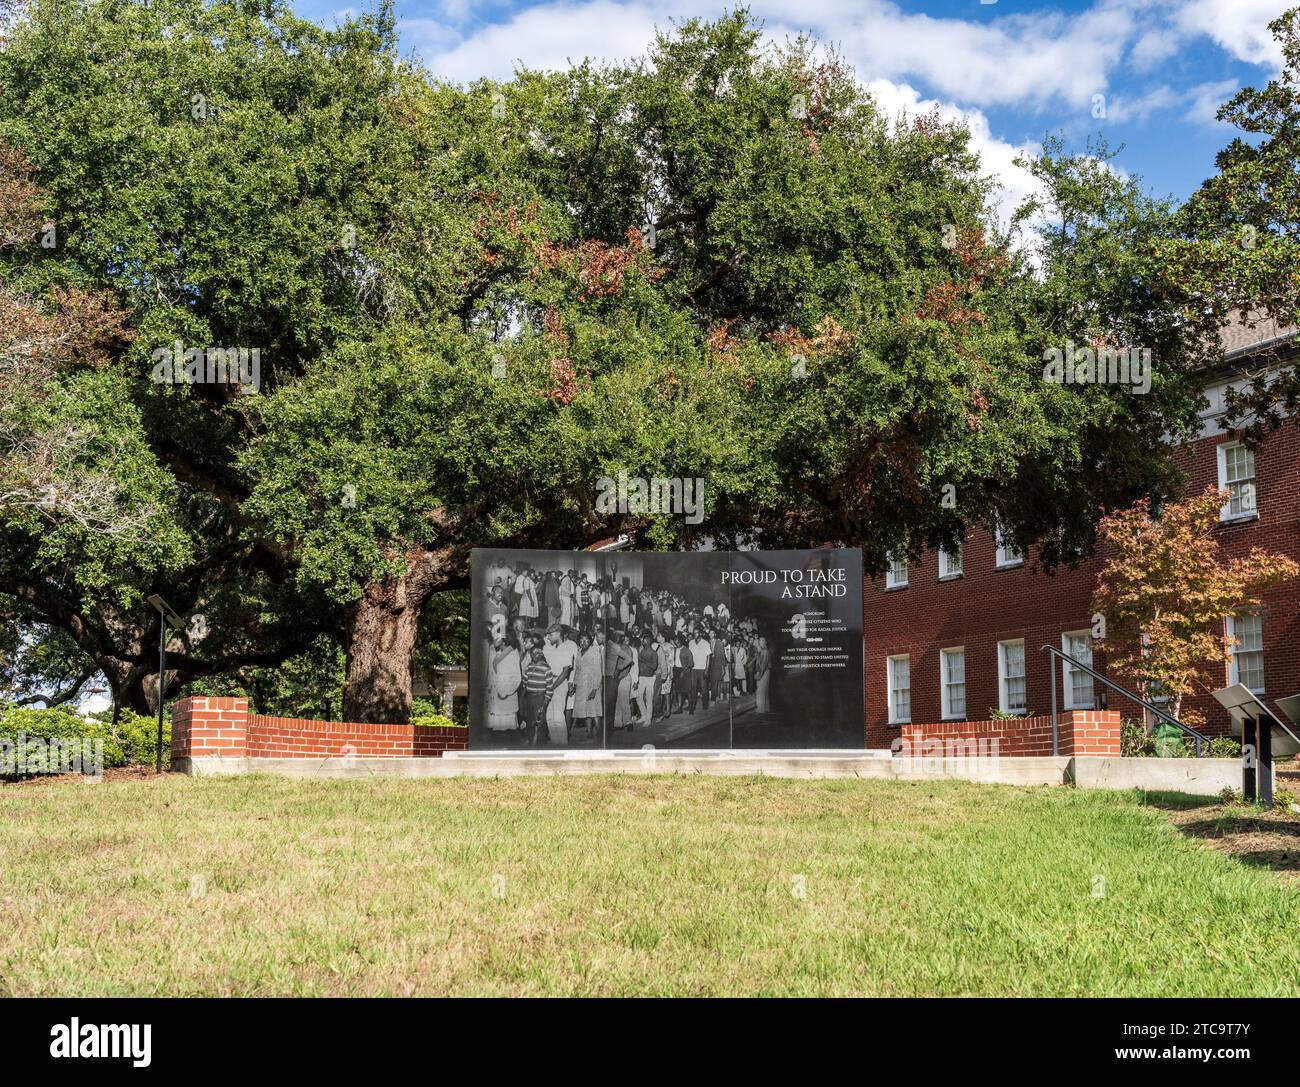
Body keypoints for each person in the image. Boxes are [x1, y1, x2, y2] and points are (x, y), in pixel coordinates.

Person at [541, 623, 576, 745]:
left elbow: (565, 672)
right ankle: (555, 743)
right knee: (549, 717)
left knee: (558, 717)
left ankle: (562, 745)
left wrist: (552, 686)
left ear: (557, 634)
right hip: (551, 683)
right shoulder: (554, 648)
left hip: (559, 684)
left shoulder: (567, 648)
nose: (548, 638)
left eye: (550, 635)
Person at [486, 633, 522, 733]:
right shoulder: (498, 652)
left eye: (497, 638)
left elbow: (516, 677)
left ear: (504, 640)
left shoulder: (513, 653)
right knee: (496, 729)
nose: (494, 640)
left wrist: (505, 692)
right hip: (496, 695)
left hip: (506, 695)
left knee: (506, 729)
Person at [520, 639, 553, 744]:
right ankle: (531, 739)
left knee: (539, 721)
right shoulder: (529, 666)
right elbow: (525, 682)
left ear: (541, 653)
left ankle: (539, 742)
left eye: (537, 653)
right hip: (529, 697)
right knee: (529, 720)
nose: (535, 655)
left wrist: (545, 702)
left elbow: (549, 688)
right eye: (532, 653)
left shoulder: (546, 668)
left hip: (540, 698)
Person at [573, 632, 603, 741]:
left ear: (590, 641)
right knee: (586, 711)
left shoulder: (595, 652)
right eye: (581, 640)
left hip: (593, 685)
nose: (583, 642)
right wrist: (574, 684)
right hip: (582, 686)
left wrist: (595, 689)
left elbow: (598, 672)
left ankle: (599, 735)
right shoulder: (579, 652)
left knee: (595, 711)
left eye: (586, 640)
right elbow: (577, 670)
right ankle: (589, 733)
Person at [635, 635, 658, 726]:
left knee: (649, 699)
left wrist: (643, 661)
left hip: (650, 678)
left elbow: (654, 666)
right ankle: (644, 715)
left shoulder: (653, 653)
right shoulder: (642, 651)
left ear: (648, 641)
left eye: (643, 640)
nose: (642, 642)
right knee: (638, 696)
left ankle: (648, 718)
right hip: (641, 677)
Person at [688, 627, 711, 713]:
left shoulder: (705, 643)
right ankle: (692, 706)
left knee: (703, 688)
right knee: (693, 688)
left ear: (700, 633)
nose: (695, 635)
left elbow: (709, 657)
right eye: (694, 633)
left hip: (702, 669)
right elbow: (689, 656)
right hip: (693, 669)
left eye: (697, 633)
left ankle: (705, 705)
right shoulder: (691, 642)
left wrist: (706, 670)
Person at [754, 636, 771, 713]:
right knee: (765, 690)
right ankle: (766, 708)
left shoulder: (764, 651)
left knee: (760, 690)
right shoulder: (764, 651)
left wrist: (759, 675)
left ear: (765, 642)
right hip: (767, 671)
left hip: (764, 671)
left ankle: (760, 709)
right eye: (760, 640)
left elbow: (763, 665)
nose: (760, 642)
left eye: (762, 640)